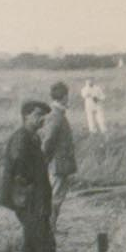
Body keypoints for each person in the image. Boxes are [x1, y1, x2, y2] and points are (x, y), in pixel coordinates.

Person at [0, 100, 57, 252]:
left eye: (43, 115)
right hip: (28, 199)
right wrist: (31, 191)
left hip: (32, 198)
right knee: (43, 239)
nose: (41, 119)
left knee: (32, 239)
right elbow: (20, 168)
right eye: (37, 114)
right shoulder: (21, 138)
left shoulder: (32, 138)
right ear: (26, 116)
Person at [42, 81, 77, 227]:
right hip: (58, 164)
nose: (68, 99)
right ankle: (48, 229)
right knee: (55, 197)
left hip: (60, 163)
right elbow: (48, 141)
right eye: (67, 96)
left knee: (57, 196)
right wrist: (45, 160)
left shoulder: (58, 114)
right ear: (63, 97)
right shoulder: (56, 115)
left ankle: (51, 228)